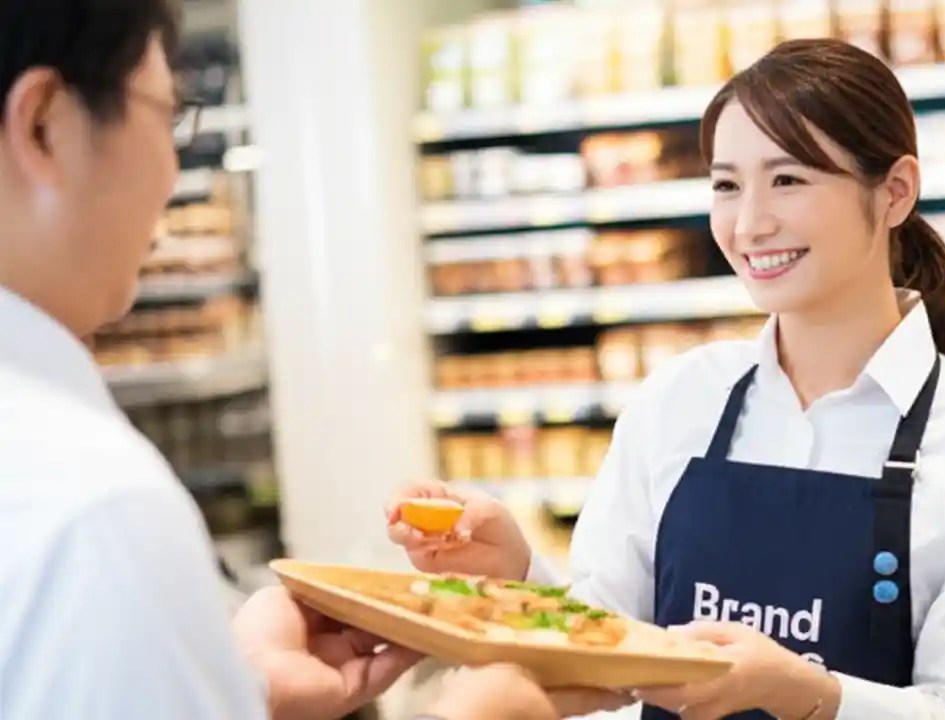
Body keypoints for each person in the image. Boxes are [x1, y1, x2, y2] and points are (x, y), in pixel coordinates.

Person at [389, 38, 945, 720]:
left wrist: (811, 696)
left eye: (788, 180)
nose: (748, 224)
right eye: (727, 185)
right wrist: (517, 576)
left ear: (894, 192)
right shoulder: (680, 399)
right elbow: (609, 647)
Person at [0, 3, 607, 719]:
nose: (171, 173)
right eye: (168, 114)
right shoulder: (96, 512)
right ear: (45, 124)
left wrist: (243, 685)